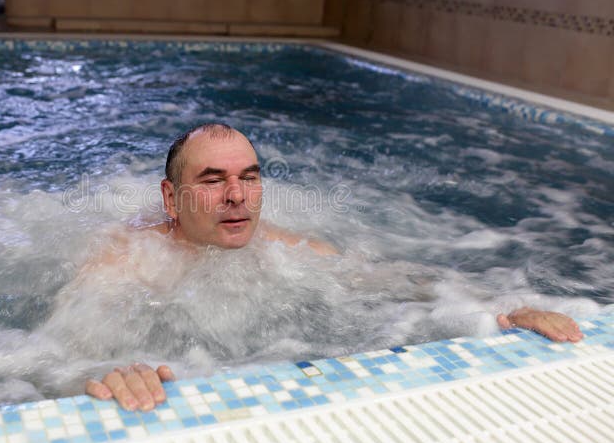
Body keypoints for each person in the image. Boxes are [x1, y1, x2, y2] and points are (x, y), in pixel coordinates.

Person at [82, 123, 584, 412]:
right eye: (213, 180)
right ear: (172, 198)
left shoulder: (275, 244)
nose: (237, 196)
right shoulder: (128, 259)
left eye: (249, 178)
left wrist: (504, 307)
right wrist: (110, 373)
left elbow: (394, 279)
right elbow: (64, 353)